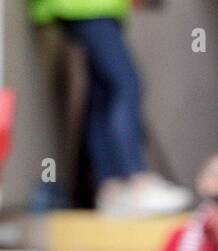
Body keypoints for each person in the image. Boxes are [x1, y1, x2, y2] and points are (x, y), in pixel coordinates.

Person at [30, 0, 191, 216]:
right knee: (126, 85)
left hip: (89, 8)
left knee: (102, 95)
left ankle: (112, 188)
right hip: (86, 7)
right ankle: (136, 180)